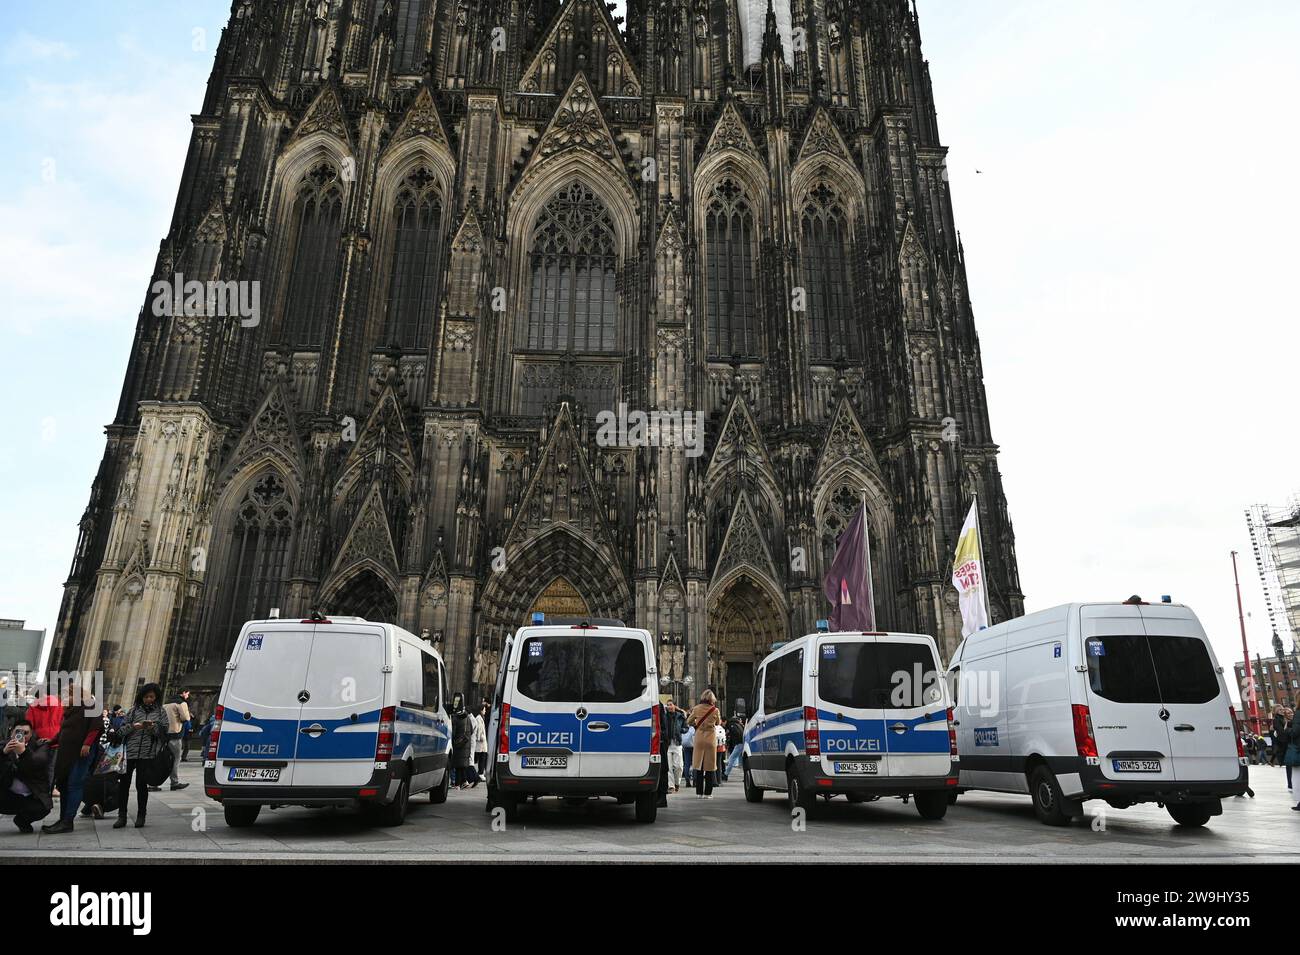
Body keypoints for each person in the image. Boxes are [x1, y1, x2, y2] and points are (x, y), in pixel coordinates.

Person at [41, 682, 100, 834]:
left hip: (81, 753)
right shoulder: (70, 711)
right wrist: (51, 741)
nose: (65, 698)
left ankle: (67, 821)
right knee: (65, 785)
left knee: (74, 784)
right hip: (66, 753)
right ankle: (63, 820)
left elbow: (96, 726)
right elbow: (63, 731)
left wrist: (86, 744)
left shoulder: (90, 705)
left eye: (69, 694)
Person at [116, 683, 169, 829]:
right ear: (141, 697)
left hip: (148, 754)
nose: (148, 699)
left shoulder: (160, 712)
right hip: (129, 753)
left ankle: (141, 815)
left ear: (156, 697)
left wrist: (152, 728)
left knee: (141, 784)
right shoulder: (133, 711)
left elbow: (164, 733)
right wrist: (134, 726)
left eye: (151, 697)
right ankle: (122, 815)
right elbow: (120, 731)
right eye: (146, 697)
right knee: (124, 785)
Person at [0, 719, 52, 832]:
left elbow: (39, 762)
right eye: (18, 732)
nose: (21, 735)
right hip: (7, 794)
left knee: (44, 807)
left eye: (26, 733)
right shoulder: (4, 745)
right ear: (11, 732)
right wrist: (3, 754)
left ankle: (22, 820)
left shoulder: (40, 745)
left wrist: (23, 753)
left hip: (31, 795)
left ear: (32, 733)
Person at [687, 690, 721, 798]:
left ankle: (699, 793)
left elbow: (689, 721)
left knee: (699, 766)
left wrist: (697, 725)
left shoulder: (696, 708)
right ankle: (708, 793)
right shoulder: (715, 710)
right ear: (712, 699)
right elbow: (718, 723)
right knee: (710, 767)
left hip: (699, 738)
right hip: (710, 739)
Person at [160, 691, 192, 792]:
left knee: (161, 759)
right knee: (175, 759)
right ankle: (174, 783)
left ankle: (153, 784)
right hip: (175, 734)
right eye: (187, 694)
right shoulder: (181, 703)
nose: (188, 696)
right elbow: (185, 718)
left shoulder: (165, 704)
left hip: (164, 736)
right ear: (183, 693)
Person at [449, 693, 478, 789]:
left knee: (458, 766)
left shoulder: (456, 718)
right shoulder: (467, 718)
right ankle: (464, 781)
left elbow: (453, 732)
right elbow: (472, 731)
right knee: (462, 766)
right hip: (466, 743)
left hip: (458, 744)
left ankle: (457, 784)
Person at [664, 701, 686, 793]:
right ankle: (671, 786)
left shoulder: (680, 716)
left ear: (674, 706)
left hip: (677, 743)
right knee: (669, 767)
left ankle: (677, 783)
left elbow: (686, 727)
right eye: (668, 705)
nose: (669, 707)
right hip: (667, 743)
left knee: (679, 766)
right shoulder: (664, 716)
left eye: (670, 704)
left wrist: (681, 730)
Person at [722, 714, 745, 781]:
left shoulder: (731, 725)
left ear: (725, 721)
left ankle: (726, 774)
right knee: (742, 761)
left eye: (722, 722)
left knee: (732, 758)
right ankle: (745, 775)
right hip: (743, 742)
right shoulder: (736, 723)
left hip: (739, 743)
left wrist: (735, 742)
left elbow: (736, 734)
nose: (722, 724)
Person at [471, 701, 489, 780]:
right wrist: (480, 738)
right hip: (480, 742)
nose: (485, 711)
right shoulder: (479, 718)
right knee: (480, 758)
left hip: (482, 742)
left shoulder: (481, 718)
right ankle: (480, 773)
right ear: (481, 710)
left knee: (481, 757)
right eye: (484, 710)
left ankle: (480, 772)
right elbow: (478, 730)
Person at [681, 722, 695, 788]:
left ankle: (687, 781)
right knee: (695, 764)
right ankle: (695, 781)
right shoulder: (695, 728)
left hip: (686, 746)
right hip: (694, 747)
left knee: (687, 764)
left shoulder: (685, 728)